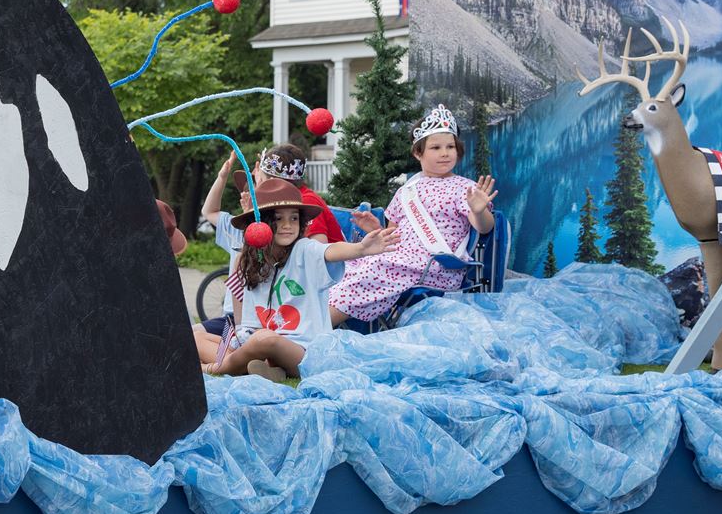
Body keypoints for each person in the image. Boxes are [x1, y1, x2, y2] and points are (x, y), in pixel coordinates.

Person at [195, 172, 396, 381]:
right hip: (258, 344)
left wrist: (360, 249)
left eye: (294, 218)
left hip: (305, 354)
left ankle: (217, 368)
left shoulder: (304, 250)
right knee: (195, 337)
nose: (288, 225)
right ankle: (265, 369)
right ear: (261, 223)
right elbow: (244, 319)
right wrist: (241, 335)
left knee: (267, 340)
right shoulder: (246, 260)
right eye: (278, 218)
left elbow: (330, 250)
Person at [329, 105, 497, 326]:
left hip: (437, 265)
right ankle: (301, 322)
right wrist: (376, 231)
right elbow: (394, 235)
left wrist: (478, 210)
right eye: (436, 147)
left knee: (373, 270)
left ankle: (313, 331)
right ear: (418, 153)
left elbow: (485, 227)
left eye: (450, 146)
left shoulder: (465, 188)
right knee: (346, 268)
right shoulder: (406, 190)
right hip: (401, 259)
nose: (445, 153)